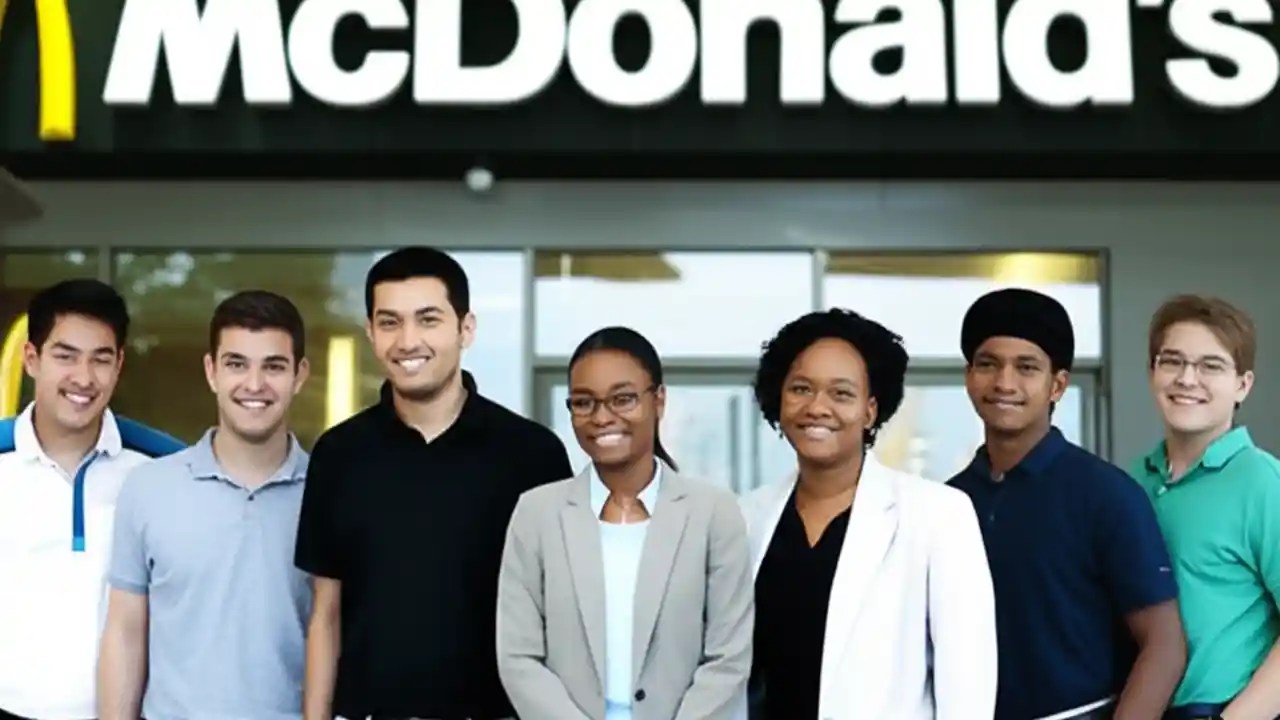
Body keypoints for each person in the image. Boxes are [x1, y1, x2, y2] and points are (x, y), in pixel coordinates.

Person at [294, 246, 574, 720]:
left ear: (466, 329)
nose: (408, 341)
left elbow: (562, 615)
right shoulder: (338, 455)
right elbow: (326, 613)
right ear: (370, 332)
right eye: (390, 322)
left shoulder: (532, 455)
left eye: (428, 320)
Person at [740, 308, 997, 720]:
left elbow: (967, 689)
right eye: (801, 389)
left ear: (870, 410)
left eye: (841, 394)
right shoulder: (746, 518)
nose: (817, 407)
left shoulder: (937, 515)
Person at [947, 287, 1187, 720]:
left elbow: (1164, 645)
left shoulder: (1106, 495)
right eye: (988, 364)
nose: (1004, 383)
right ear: (969, 377)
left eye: (1026, 367)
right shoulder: (947, 503)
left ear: (1057, 385)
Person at [497, 326, 754, 720]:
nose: (602, 417)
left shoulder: (714, 513)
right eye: (584, 402)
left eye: (623, 399)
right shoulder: (536, 514)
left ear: (659, 400)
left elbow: (728, 657)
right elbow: (519, 656)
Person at [97, 290, 313, 720]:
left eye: (273, 366)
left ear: (299, 375)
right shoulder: (149, 488)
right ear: (211, 371)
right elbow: (125, 633)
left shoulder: (331, 493)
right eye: (236, 364)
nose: (254, 384)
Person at [0, 279, 183, 720]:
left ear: (119, 365)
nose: (83, 378)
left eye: (100, 359)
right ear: (31, 359)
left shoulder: (162, 469)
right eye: (65, 356)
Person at [1131, 295, 1280, 720]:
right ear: (1152, 372)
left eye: (1210, 366)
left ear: (1242, 385)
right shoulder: (1133, 483)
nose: (1187, 379)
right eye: (1172, 361)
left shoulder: (1263, 483)